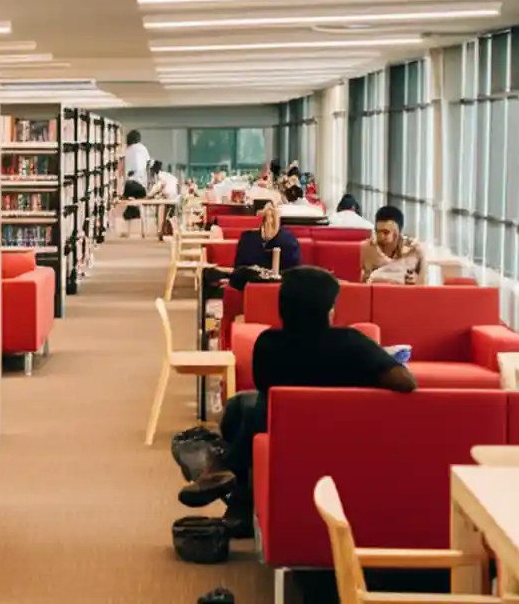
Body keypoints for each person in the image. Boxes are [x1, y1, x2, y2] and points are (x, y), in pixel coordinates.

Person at [179, 266, 417, 535]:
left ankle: (231, 478)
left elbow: (264, 386)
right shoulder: (352, 343)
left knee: (249, 405)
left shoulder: (269, 344)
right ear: (328, 309)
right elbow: (406, 382)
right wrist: (365, 369)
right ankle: (236, 493)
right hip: (341, 434)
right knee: (241, 405)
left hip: (285, 432)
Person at [228, 204, 300, 290]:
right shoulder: (290, 240)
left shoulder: (247, 238)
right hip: (282, 290)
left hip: (248, 287)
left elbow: (238, 269)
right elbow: (294, 274)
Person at [360, 205, 425, 284]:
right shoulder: (368, 248)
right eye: (378, 232)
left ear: (398, 233)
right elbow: (363, 283)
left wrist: (416, 280)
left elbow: (423, 283)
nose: (380, 237)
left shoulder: (414, 249)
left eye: (386, 232)